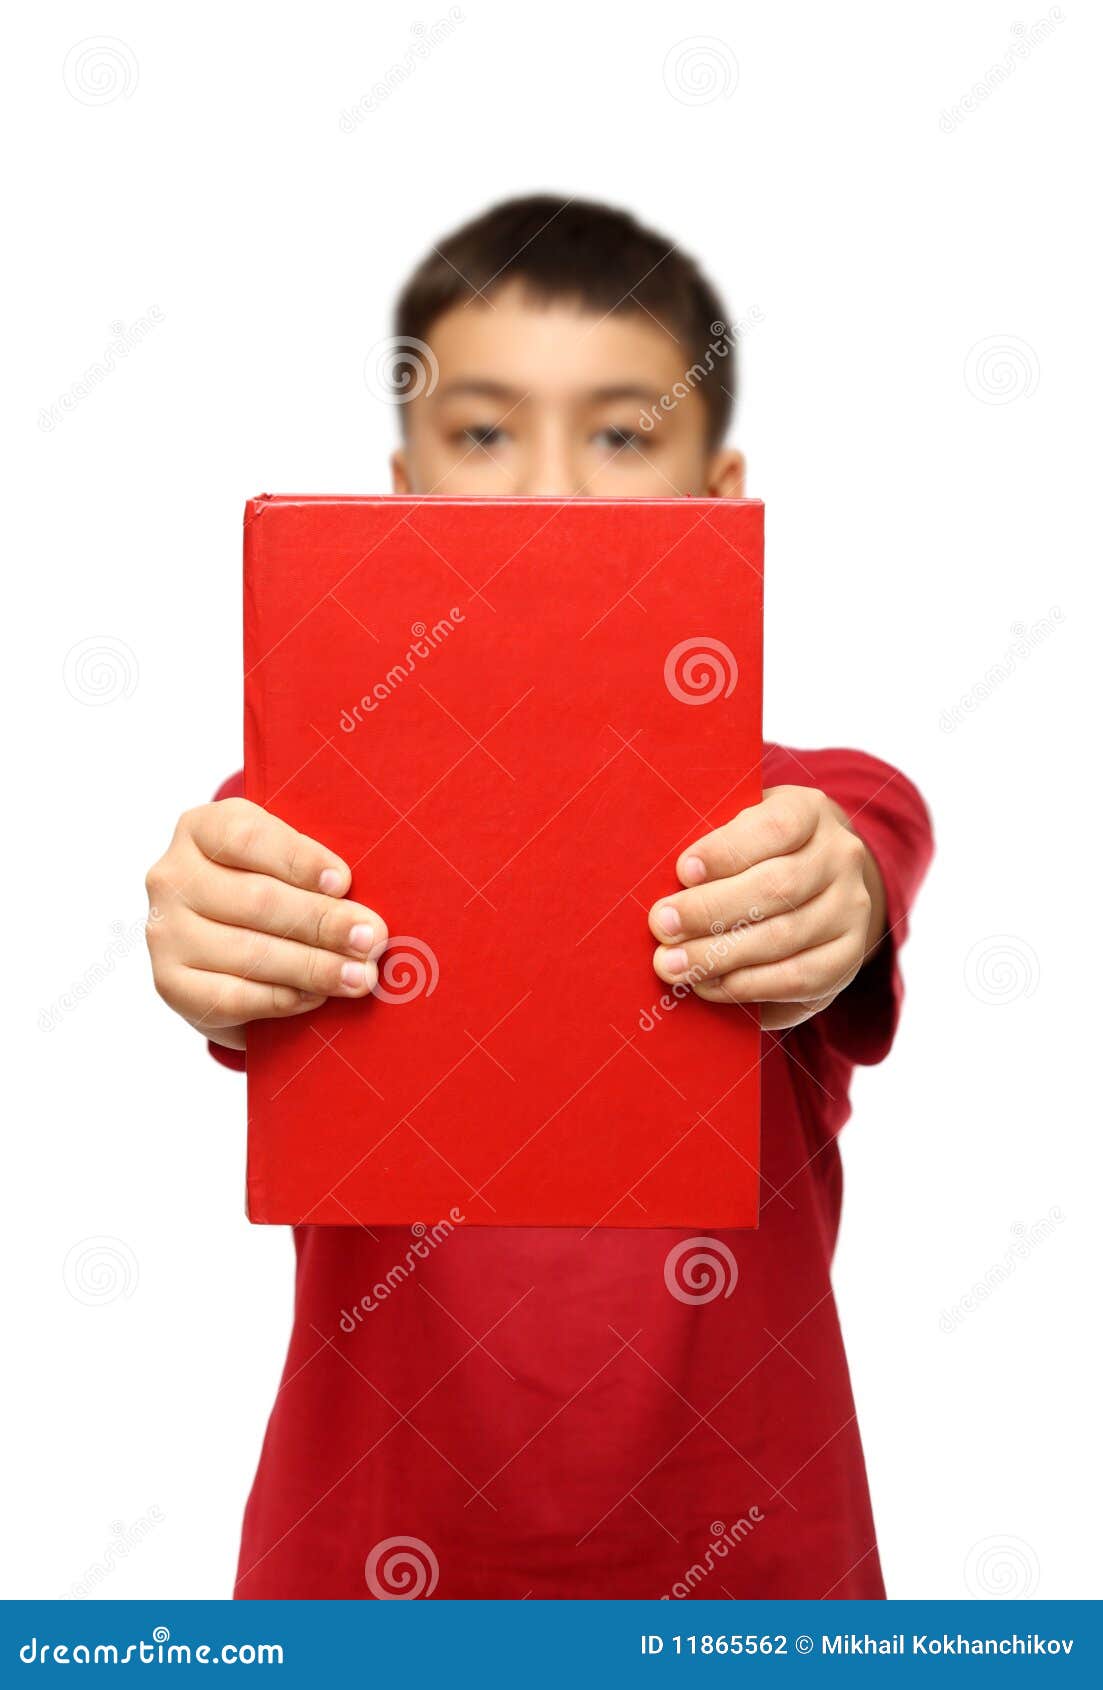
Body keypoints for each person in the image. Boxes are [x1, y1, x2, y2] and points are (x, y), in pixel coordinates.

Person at [144, 195, 933, 1599]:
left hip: (756, 1593)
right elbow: (240, 897)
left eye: (622, 432)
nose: (549, 489)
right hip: (361, 1593)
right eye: (486, 432)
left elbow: (857, 854)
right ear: (400, 491)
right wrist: (209, 923)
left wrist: (838, 896)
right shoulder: (306, 810)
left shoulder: (807, 804)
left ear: (720, 496)